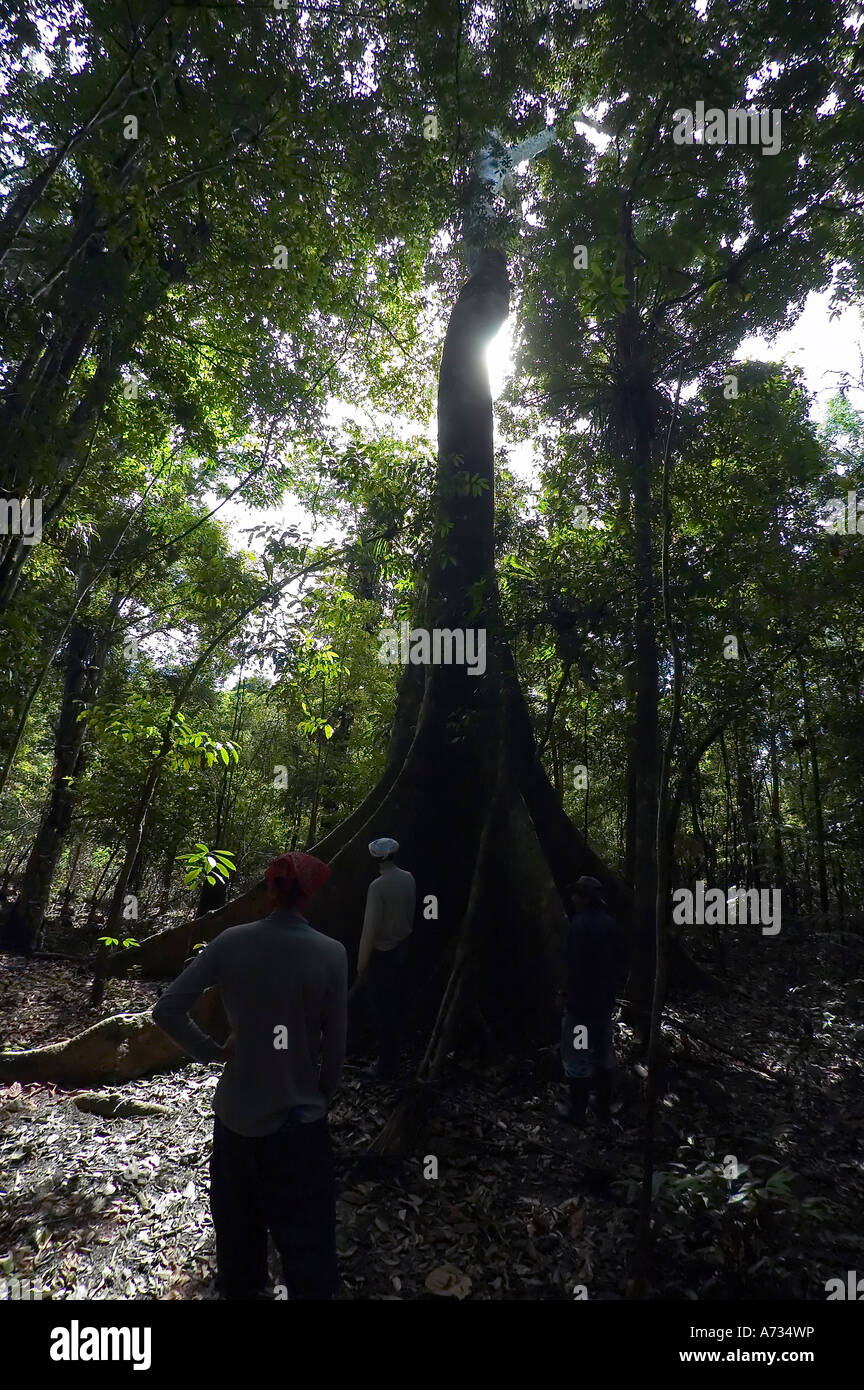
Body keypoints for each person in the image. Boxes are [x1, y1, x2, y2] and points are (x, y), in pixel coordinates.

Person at [152, 851, 347, 1300]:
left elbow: (167, 1009)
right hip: (300, 1126)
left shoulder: (230, 942)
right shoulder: (331, 953)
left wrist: (212, 1052)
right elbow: (336, 1044)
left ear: (270, 889)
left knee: (239, 1255)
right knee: (309, 1254)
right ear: (310, 893)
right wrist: (322, 1092)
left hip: (237, 1121)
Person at [559, 874, 628, 1128]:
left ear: (586, 899)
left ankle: (577, 1113)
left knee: (577, 1057)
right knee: (602, 1055)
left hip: (580, 1007)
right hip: (603, 1005)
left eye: (577, 894)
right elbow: (622, 963)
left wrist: (565, 993)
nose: (573, 898)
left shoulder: (579, 925)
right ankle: (603, 1112)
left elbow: (572, 966)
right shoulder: (611, 925)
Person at [357, 837, 416, 1079]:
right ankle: (393, 1059)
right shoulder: (408, 878)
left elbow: (369, 931)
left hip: (382, 955)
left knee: (382, 1011)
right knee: (396, 1006)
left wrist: (361, 965)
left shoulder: (378, 886)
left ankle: (385, 1066)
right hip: (403, 950)